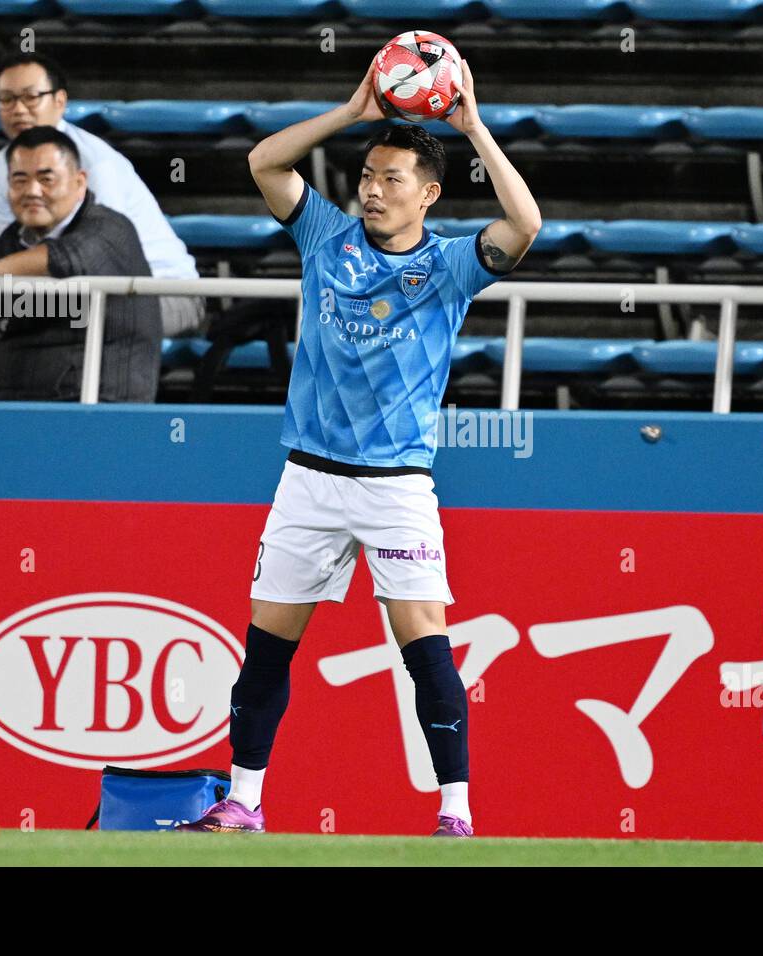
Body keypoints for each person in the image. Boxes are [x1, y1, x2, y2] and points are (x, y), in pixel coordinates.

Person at [177, 58, 541, 838]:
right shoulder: (325, 234)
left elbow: (525, 226)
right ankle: (243, 802)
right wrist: (349, 111)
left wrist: (472, 126)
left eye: (392, 179)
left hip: (396, 485)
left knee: (426, 649)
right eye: (367, 176)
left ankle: (456, 814)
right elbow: (262, 161)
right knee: (266, 650)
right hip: (307, 479)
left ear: (429, 194)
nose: (372, 189)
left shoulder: (447, 267)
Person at [0, 126, 161, 402]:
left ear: (79, 183)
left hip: (96, 409)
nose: (32, 191)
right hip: (17, 406)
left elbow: (66, 258)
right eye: (19, 180)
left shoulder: (110, 229)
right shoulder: (10, 242)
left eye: (46, 179)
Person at [0, 53, 203, 338]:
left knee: (66, 319)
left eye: (31, 97)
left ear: (60, 101)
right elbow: (2, 254)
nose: (18, 109)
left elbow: (101, 258)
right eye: (7, 99)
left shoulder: (96, 162)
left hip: (161, 292)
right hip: (67, 292)